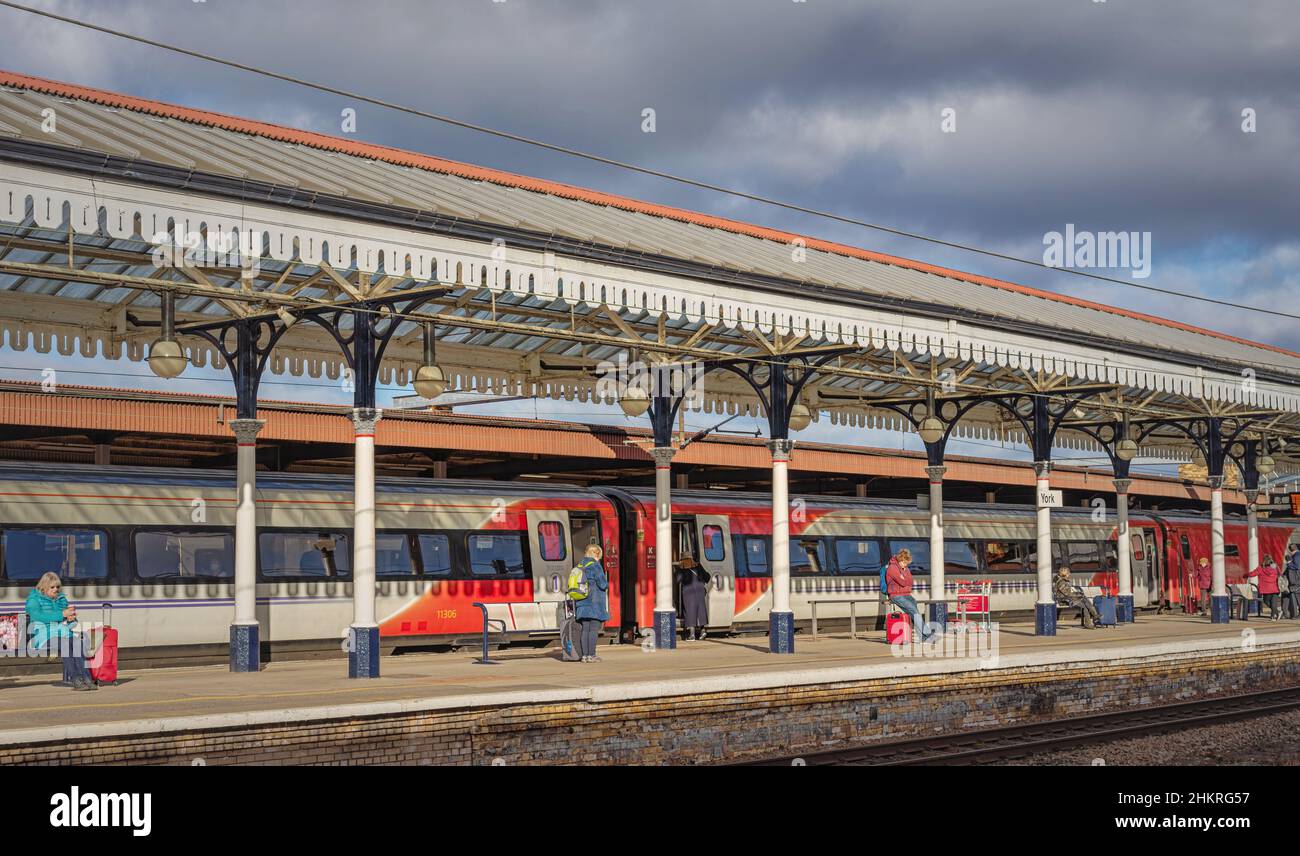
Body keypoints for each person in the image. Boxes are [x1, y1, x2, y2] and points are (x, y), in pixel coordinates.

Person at [24, 572, 97, 691]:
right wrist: (61, 614)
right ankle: (76, 679)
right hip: (42, 635)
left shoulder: (61, 599)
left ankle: (87, 678)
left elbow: (69, 622)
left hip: (61, 632)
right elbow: (36, 616)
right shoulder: (34, 599)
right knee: (65, 644)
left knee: (77, 642)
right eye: (52, 587)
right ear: (44, 587)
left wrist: (70, 619)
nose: (56, 589)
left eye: (57, 587)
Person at [885, 548, 933, 643]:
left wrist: (904, 578)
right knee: (914, 611)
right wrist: (904, 579)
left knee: (915, 612)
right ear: (900, 560)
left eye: (907, 563)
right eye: (905, 562)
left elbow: (910, 581)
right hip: (896, 595)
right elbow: (902, 582)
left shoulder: (905, 568)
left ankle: (923, 637)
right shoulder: (892, 568)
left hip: (906, 594)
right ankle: (927, 635)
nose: (906, 565)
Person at [573, 544, 608, 663]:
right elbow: (603, 584)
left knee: (585, 629)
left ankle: (584, 656)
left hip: (582, 602)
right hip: (594, 604)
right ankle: (592, 655)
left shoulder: (580, 565)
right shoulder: (595, 565)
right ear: (597, 554)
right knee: (593, 629)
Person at [674, 554, 712, 641]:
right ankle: (703, 631)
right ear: (691, 558)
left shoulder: (681, 569)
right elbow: (707, 578)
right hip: (699, 591)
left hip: (688, 593)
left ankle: (692, 635)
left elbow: (677, 580)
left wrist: (677, 570)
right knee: (701, 610)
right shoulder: (698, 566)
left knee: (689, 612)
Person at [1245, 555, 1283, 621]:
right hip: (1276, 588)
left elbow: (1253, 574)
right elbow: (1280, 574)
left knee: (1266, 601)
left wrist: (1245, 575)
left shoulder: (1261, 568)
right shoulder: (1275, 567)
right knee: (1273, 603)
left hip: (1266, 589)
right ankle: (1275, 615)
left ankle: (1275, 614)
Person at [1285, 544, 1300, 619]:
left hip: (1296, 581)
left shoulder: (1297, 556)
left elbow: (1297, 567)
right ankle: (1294, 614)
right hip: (1296, 580)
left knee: (1298, 597)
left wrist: (1289, 563)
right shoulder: (1297, 555)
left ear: (1289, 550)